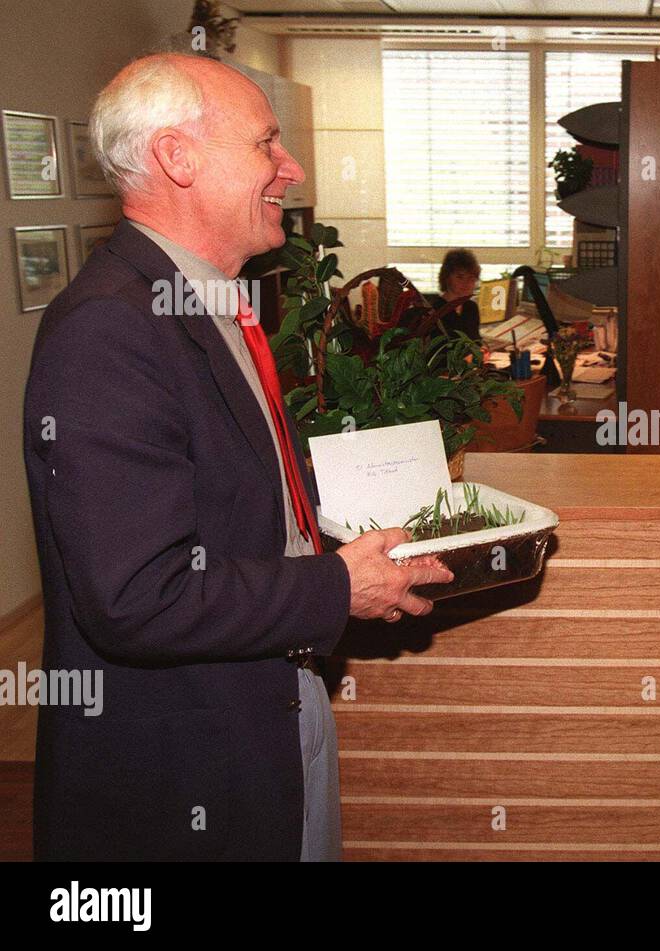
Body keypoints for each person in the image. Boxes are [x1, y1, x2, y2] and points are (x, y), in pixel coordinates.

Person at [22, 53, 453, 861]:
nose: (290, 169)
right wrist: (338, 583)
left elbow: (236, 500)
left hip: (276, 703)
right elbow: (135, 596)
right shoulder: (108, 331)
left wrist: (351, 519)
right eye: (266, 144)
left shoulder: (209, 302)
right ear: (177, 158)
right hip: (187, 768)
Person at [424, 248, 482, 341]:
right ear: (446, 278)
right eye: (460, 277)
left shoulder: (471, 308)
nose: (466, 282)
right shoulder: (435, 310)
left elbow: (476, 342)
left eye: (471, 278)